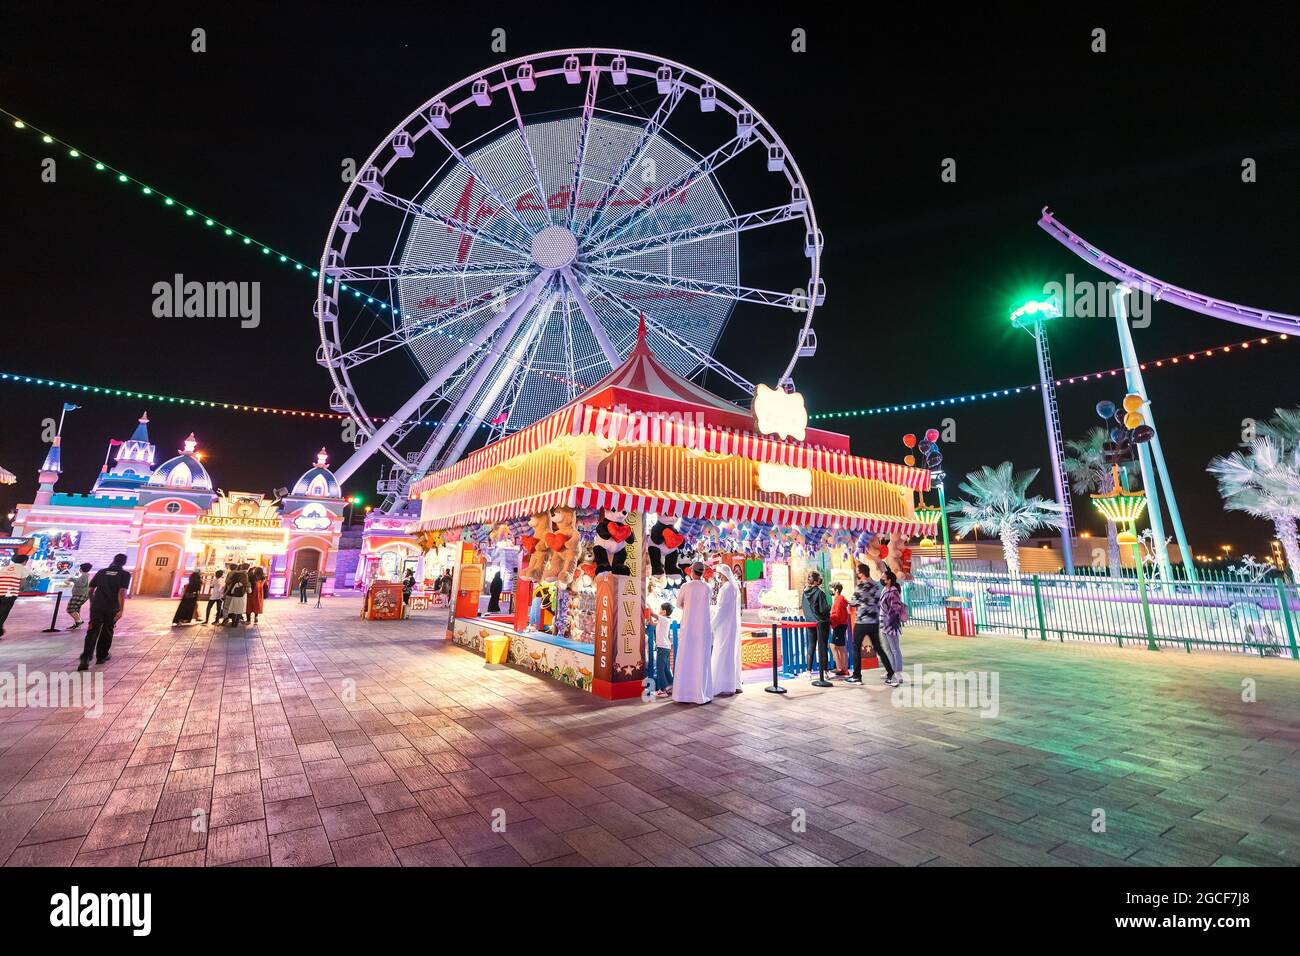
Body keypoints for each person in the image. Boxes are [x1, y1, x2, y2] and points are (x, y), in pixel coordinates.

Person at [78, 553, 130, 671]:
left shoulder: (102, 572)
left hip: (97, 607)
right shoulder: (125, 574)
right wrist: (121, 610)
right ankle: (102, 656)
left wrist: (92, 603)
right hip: (112, 607)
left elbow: (91, 590)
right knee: (107, 630)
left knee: (92, 631)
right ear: (124, 563)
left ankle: (85, 657)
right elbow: (121, 592)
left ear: (114, 560)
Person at [672, 561, 713, 704]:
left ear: (691, 572)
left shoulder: (685, 586)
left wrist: (689, 609)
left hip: (688, 628)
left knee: (685, 659)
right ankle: (700, 693)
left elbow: (678, 604)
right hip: (703, 629)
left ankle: (683, 694)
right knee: (700, 659)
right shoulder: (708, 587)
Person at [847, 563, 887, 684]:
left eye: (858, 572)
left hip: (862, 622)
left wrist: (849, 604)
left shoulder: (860, 587)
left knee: (856, 647)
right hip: (874, 621)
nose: (857, 574)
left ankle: (857, 676)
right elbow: (878, 600)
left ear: (862, 573)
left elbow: (853, 602)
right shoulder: (876, 585)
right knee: (878, 648)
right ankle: (890, 673)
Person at [708, 564, 743, 697]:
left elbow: (721, 609)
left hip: (724, 626)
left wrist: (711, 625)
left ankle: (721, 685)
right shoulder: (734, 587)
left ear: (722, 575)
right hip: (732, 625)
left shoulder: (725, 588)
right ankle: (734, 684)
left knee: (722, 653)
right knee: (732, 654)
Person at [879, 568, 908, 687]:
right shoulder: (884, 589)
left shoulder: (893, 592)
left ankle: (898, 673)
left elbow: (895, 608)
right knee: (887, 649)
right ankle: (890, 671)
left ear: (889, 580)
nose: (881, 579)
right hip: (883, 624)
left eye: (883, 578)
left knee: (895, 649)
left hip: (891, 625)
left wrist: (888, 622)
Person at [801, 571, 831, 682]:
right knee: (823, 647)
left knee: (811, 645)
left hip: (810, 622)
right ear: (817, 581)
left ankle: (808, 672)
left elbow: (804, 608)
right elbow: (824, 609)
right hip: (821, 623)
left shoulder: (804, 593)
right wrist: (828, 607)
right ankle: (825, 672)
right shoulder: (819, 593)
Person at [0, 553, 31, 639]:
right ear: (25, 561)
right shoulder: (22, 569)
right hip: (9, 593)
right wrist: (20, 588)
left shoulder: (5, 568)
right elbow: (22, 583)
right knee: (3, 613)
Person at [651, 602, 674, 699]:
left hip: (662, 647)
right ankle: (671, 686)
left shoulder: (664, 619)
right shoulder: (664, 620)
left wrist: (648, 604)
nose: (659, 611)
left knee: (660, 668)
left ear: (664, 612)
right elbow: (652, 623)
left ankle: (662, 690)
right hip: (665, 647)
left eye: (660, 609)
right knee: (664, 668)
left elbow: (653, 614)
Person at [829, 582, 850, 676]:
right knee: (835, 646)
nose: (830, 590)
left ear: (836, 590)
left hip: (839, 625)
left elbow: (837, 615)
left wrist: (830, 618)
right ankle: (841, 668)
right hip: (840, 625)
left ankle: (842, 669)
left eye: (832, 588)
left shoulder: (838, 600)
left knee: (840, 647)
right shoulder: (839, 599)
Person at [65, 562, 93, 630]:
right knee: (76, 609)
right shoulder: (86, 575)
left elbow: (81, 584)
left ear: (81, 569)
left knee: (71, 609)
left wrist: (72, 579)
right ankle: (77, 624)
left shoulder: (85, 576)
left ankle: (79, 622)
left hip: (80, 594)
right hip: (82, 594)